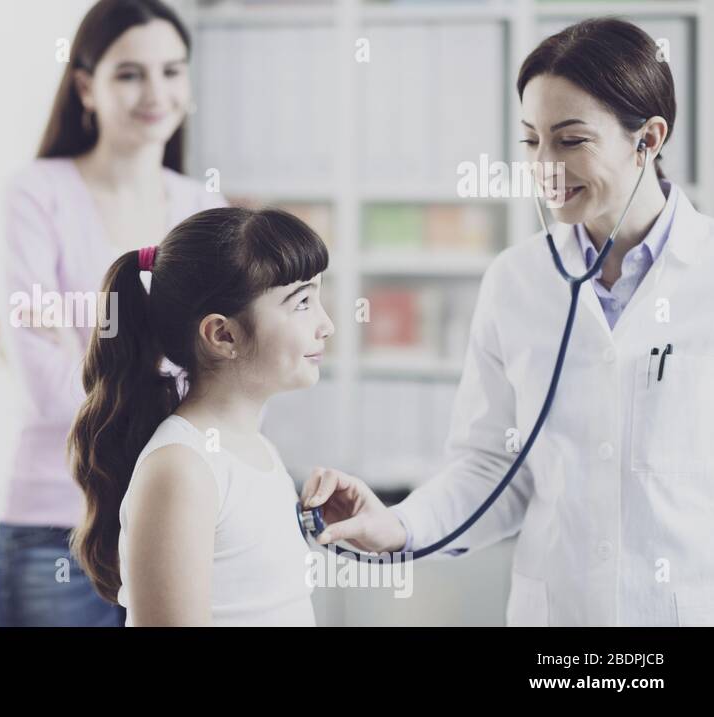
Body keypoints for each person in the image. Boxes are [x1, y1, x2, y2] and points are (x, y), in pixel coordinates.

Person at [301, 17, 714, 626]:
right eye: (530, 141)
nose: (544, 166)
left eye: (571, 140)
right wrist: (399, 525)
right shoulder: (516, 281)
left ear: (647, 139)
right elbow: (493, 465)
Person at [0, 0, 226, 627]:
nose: (156, 92)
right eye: (129, 74)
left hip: (183, 518)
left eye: (172, 71)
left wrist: (97, 364)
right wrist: (175, 386)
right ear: (85, 88)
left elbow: (229, 371)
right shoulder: (37, 194)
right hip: (57, 528)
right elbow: (47, 388)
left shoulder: (204, 205)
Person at [70, 208, 333, 626]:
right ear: (222, 335)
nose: (326, 325)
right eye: (301, 302)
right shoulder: (182, 468)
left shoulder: (255, 448)